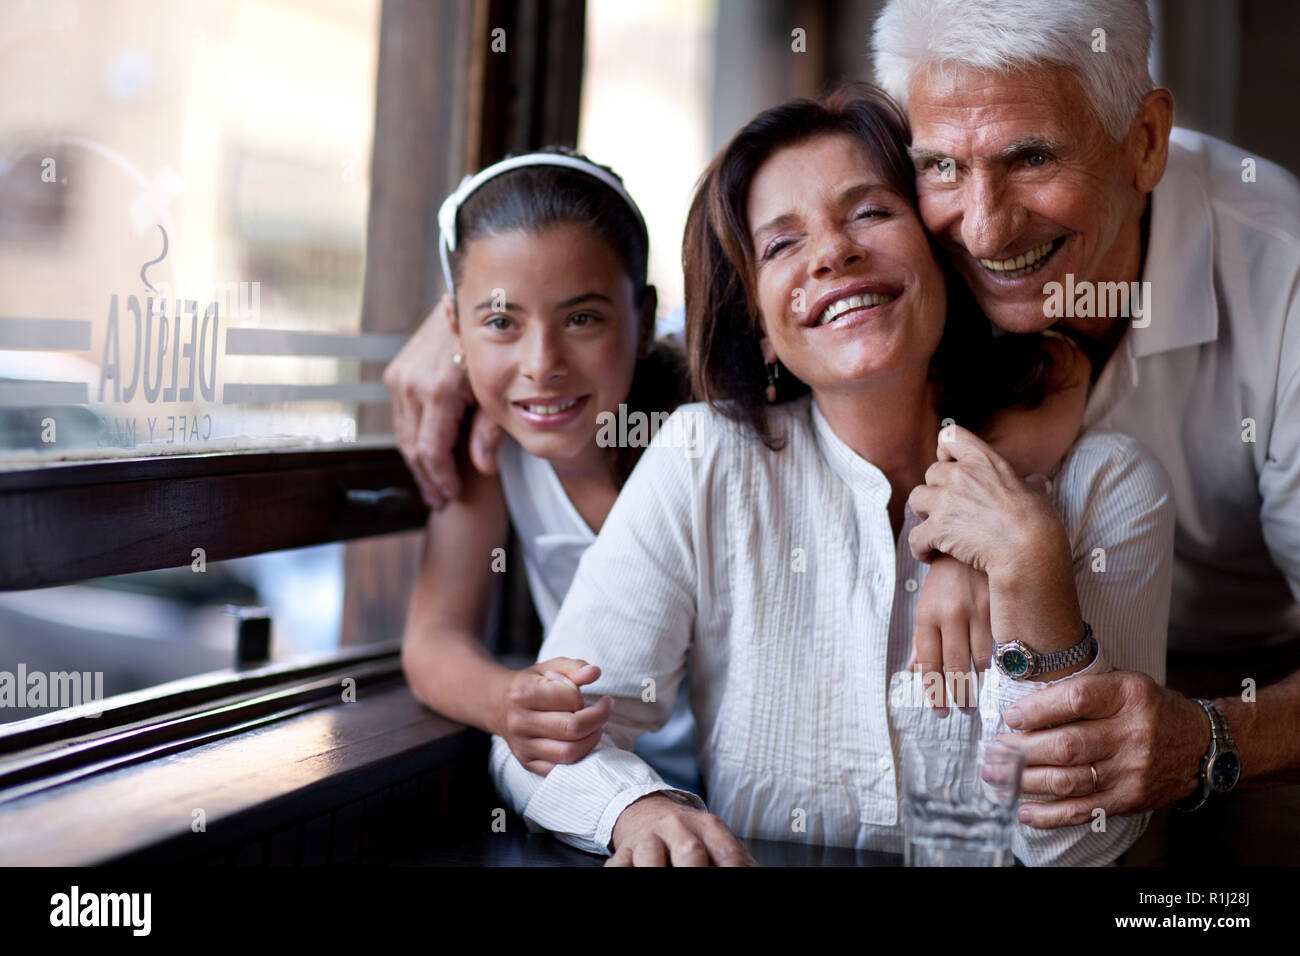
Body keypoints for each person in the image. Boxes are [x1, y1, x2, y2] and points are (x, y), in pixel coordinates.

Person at [487, 85, 1174, 865]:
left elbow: (1087, 845)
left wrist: (1030, 567)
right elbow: (535, 742)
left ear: (942, 256)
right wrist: (636, 810)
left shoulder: (1111, 488)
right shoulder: (701, 459)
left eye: (871, 213)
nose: (831, 253)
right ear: (764, 328)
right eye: (781, 245)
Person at [872, 0, 1300, 861]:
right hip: (1017, 720)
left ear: (1144, 141)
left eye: (1030, 157)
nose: (986, 231)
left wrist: (1210, 739)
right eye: (944, 166)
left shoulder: (1283, 271)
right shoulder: (900, 248)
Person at [397, 149, 699, 791]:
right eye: (502, 323)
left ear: (642, 322)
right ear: (454, 326)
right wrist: (505, 699)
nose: (543, 362)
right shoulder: (488, 452)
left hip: (749, 793)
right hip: (598, 792)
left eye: (582, 318)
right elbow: (432, 640)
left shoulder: (699, 437)